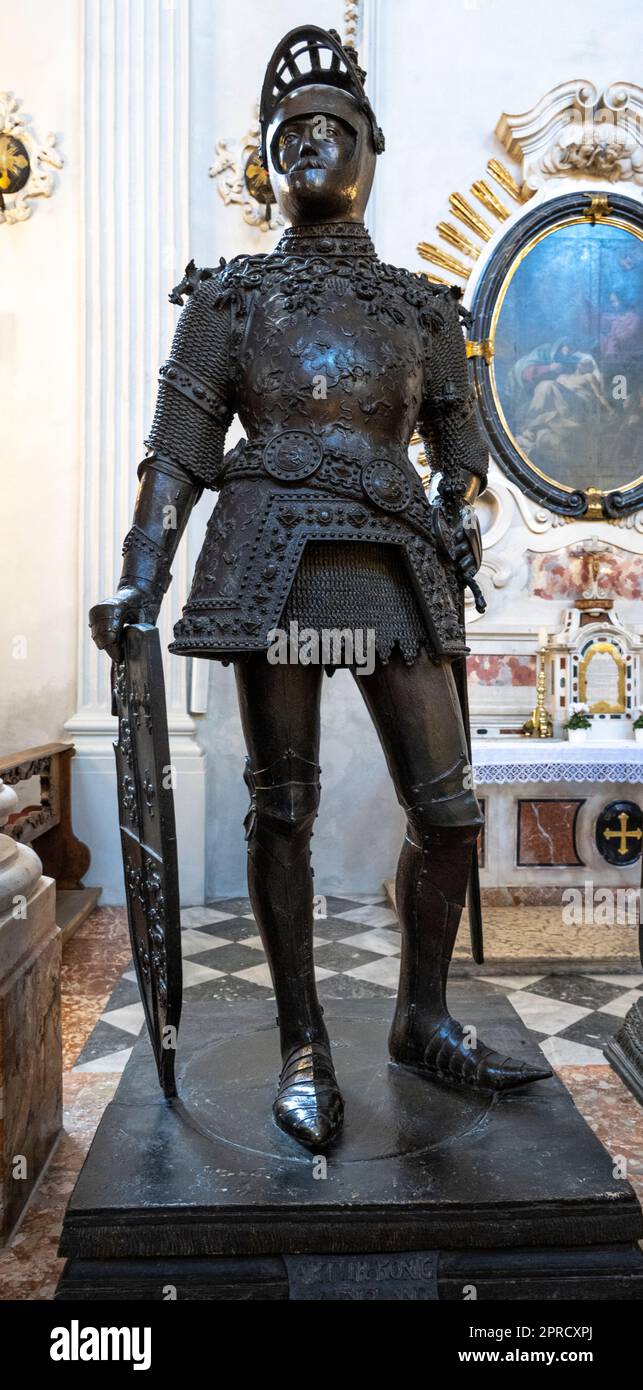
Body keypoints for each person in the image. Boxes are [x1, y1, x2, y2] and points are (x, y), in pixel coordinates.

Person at [90, 25, 550, 1151]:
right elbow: (178, 453)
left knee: (447, 811)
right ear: (266, 162)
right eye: (286, 134)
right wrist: (140, 577)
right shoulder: (232, 299)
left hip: (395, 563)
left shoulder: (422, 306)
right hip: (273, 565)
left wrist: (461, 505)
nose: (305, 143)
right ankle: (303, 1043)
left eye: (327, 129)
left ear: (367, 149)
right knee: (283, 804)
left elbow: (463, 450)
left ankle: (421, 1016)